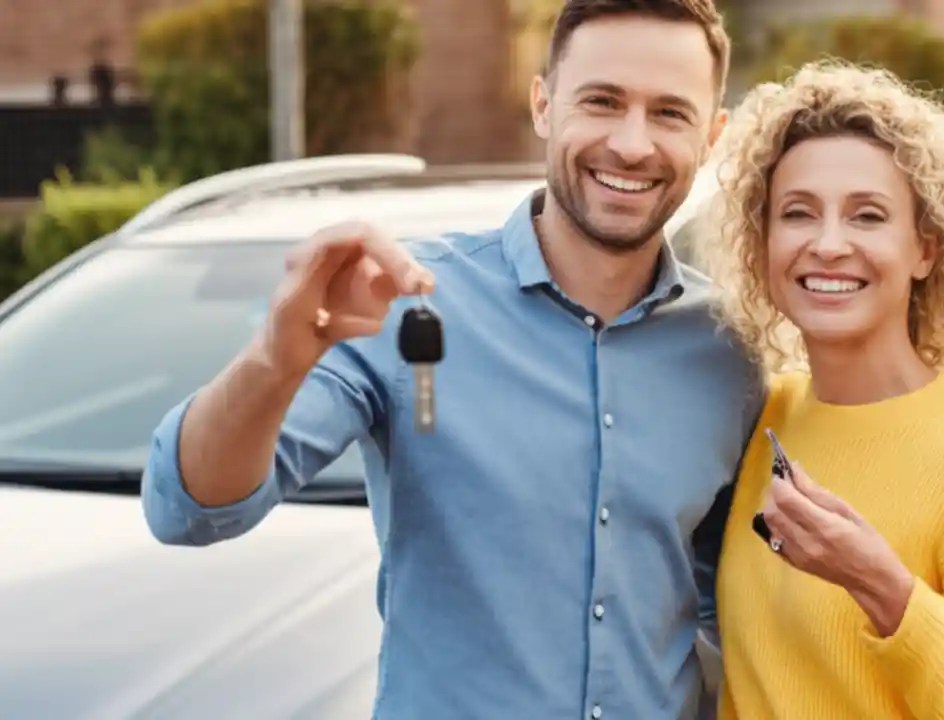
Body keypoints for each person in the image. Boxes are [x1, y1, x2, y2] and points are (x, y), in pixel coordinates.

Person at [140, 1, 763, 717]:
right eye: (602, 102)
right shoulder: (401, 302)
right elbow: (186, 511)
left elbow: (735, 606)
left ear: (712, 136)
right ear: (543, 105)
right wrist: (272, 364)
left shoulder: (730, 351)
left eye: (669, 114)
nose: (631, 143)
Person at [698, 60, 944, 719]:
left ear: (926, 251)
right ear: (762, 243)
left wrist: (884, 590)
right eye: (798, 213)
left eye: (867, 216)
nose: (827, 244)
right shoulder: (768, 415)